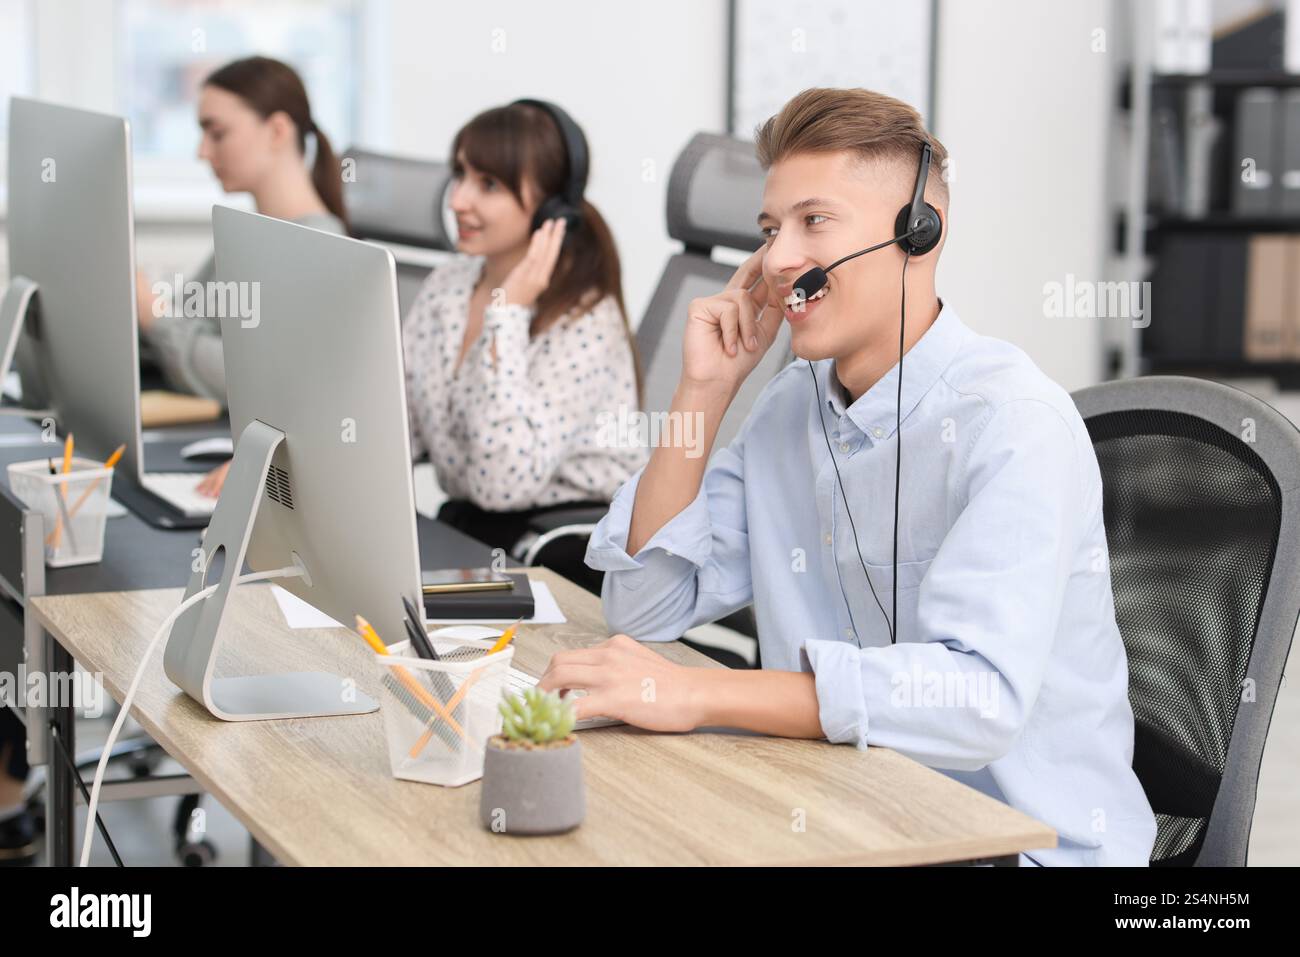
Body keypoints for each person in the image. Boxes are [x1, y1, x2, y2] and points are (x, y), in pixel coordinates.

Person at [539, 87, 1158, 866]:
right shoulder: (789, 408)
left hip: (1023, 849)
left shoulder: (1013, 424)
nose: (776, 259)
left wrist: (696, 691)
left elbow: (977, 700)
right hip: (843, 815)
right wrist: (706, 390)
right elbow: (643, 606)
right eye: (769, 230)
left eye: (814, 221)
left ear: (916, 234)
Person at [402, 100, 645, 559]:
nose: (458, 200)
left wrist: (508, 314)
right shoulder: (448, 286)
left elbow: (502, 483)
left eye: (488, 184)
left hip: (560, 550)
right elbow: (397, 428)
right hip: (473, 530)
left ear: (552, 207)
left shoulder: (586, 319)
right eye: (460, 175)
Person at [134, 56, 348, 497]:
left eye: (218, 133)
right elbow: (191, 330)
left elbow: (258, 383)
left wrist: (155, 319)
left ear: (277, 131)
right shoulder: (246, 237)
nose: (202, 151)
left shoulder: (320, 249)